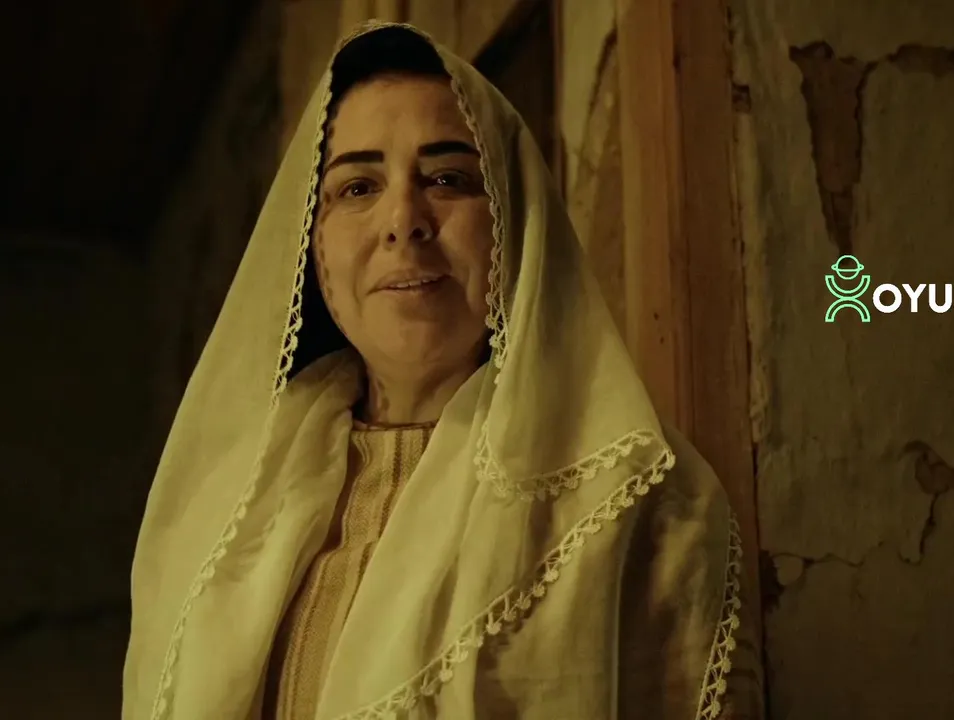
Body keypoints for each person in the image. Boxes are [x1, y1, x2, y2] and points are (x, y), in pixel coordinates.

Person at [122, 22, 743, 720]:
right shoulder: (219, 516)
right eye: (357, 187)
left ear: (512, 219)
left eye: (447, 179)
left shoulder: (639, 504)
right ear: (312, 244)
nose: (403, 220)